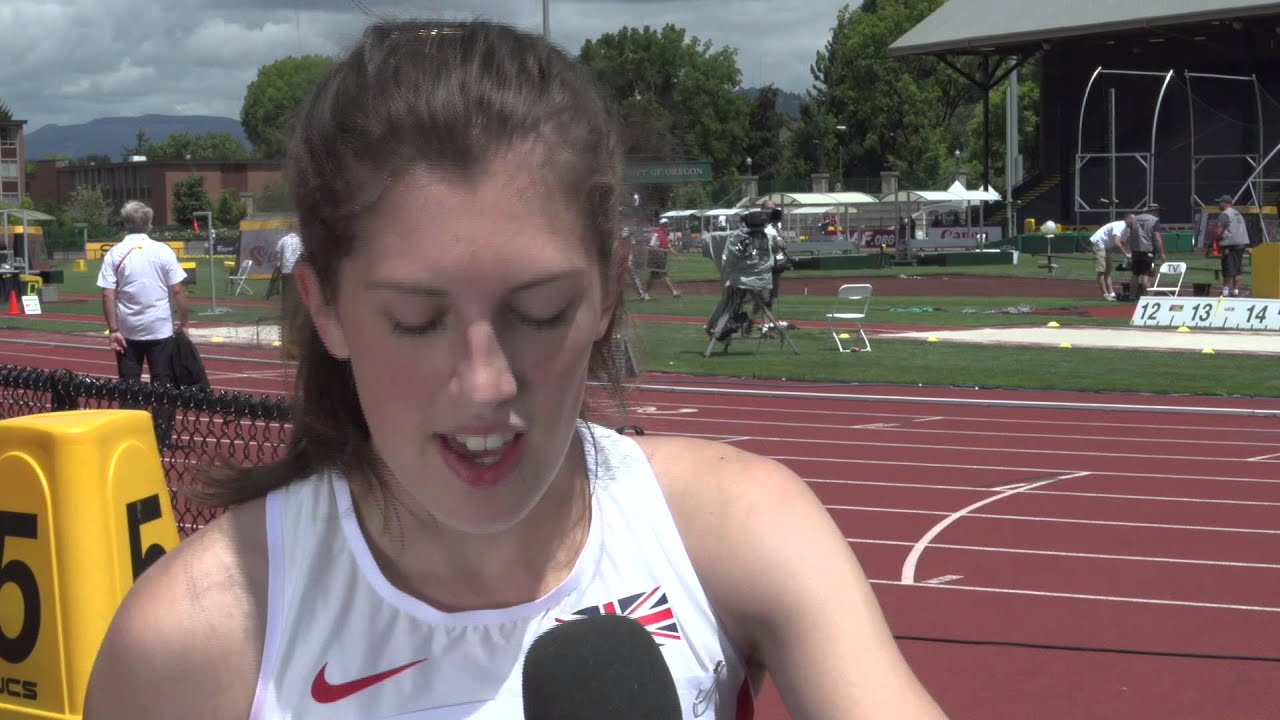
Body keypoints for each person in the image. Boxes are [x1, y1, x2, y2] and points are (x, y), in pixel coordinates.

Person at [83, 19, 947, 720]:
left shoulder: (734, 527)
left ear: (609, 292)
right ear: (327, 309)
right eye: (416, 321)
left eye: (540, 312)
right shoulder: (194, 635)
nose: (486, 383)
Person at [96, 200, 190, 445]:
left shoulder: (115, 253)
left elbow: (108, 294)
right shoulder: (163, 251)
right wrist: (184, 320)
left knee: (129, 385)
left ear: (125, 223)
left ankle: (132, 435)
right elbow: (177, 290)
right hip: (160, 328)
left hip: (127, 330)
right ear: (149, 223)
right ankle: (162, 436)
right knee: (164, 383)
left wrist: (113, 329)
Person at [1127, 204, 1167, 300]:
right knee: (1146, 274)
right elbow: (1157, 238)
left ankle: (1132, 296)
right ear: (1153, 211)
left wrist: (1129, 249)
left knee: (1135, 274)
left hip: (1135, 250)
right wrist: (1162, 253)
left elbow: (1130, 234)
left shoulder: (1135, 219)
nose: (1158, 213)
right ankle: (1147, 297)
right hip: (1148, 250)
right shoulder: (1154, 220)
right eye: (1157, 211)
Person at [1089, 214, 1133, 300]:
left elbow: (1123, 242)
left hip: (1107, 247)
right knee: (1101, 270)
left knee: (1108, 271)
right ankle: (1105, 294)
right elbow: (1117, 242)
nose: (1134, 222)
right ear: (1127, 219)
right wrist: (1126, 254)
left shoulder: (1126, 229)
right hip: (1099, 243)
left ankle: (1111, 293)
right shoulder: (1120, 226)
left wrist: (1129, 252)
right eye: (1133, 220)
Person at [1213, 194, 1250, 297]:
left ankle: (1225, 292)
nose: (1218, 204)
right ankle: (1236, 291)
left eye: (1220, 202)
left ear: (1225, 203)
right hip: (1241, 244)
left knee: (1228, 269)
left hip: (1230, 245)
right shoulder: (1238, 213)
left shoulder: (1225, 214)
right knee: (1238, 269)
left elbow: (1219, 231)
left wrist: (1215, 240)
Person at [644, 217, 682, 298]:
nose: (667, 226)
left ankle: (645, 294)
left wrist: (677, 255)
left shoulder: (663, 234)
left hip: (659, 257)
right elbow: (652, 245)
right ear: (662, 225)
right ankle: (674, 292)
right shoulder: (658, 234)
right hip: (658, 257)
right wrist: (658, 253)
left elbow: (668, 246)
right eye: (665, 224)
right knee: (664, 274)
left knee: (652, 276)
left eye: (667, 224)